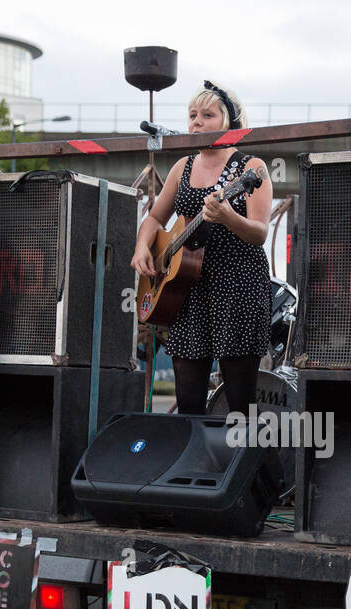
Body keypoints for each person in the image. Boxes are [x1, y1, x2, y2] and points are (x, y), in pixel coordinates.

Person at [131, 81, 273, 415]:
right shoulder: (182, 166)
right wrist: (142, 247)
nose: (196, 122)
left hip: (238, 285)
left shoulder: (252, 168)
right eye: (192, 115)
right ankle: (193, 464)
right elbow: (154, 218)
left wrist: (226, 217)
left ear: (230, 120)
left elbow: (260, 233)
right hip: (186, 290)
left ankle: (252, 467)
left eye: (207, 115)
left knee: (240, 405)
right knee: (188, 401)